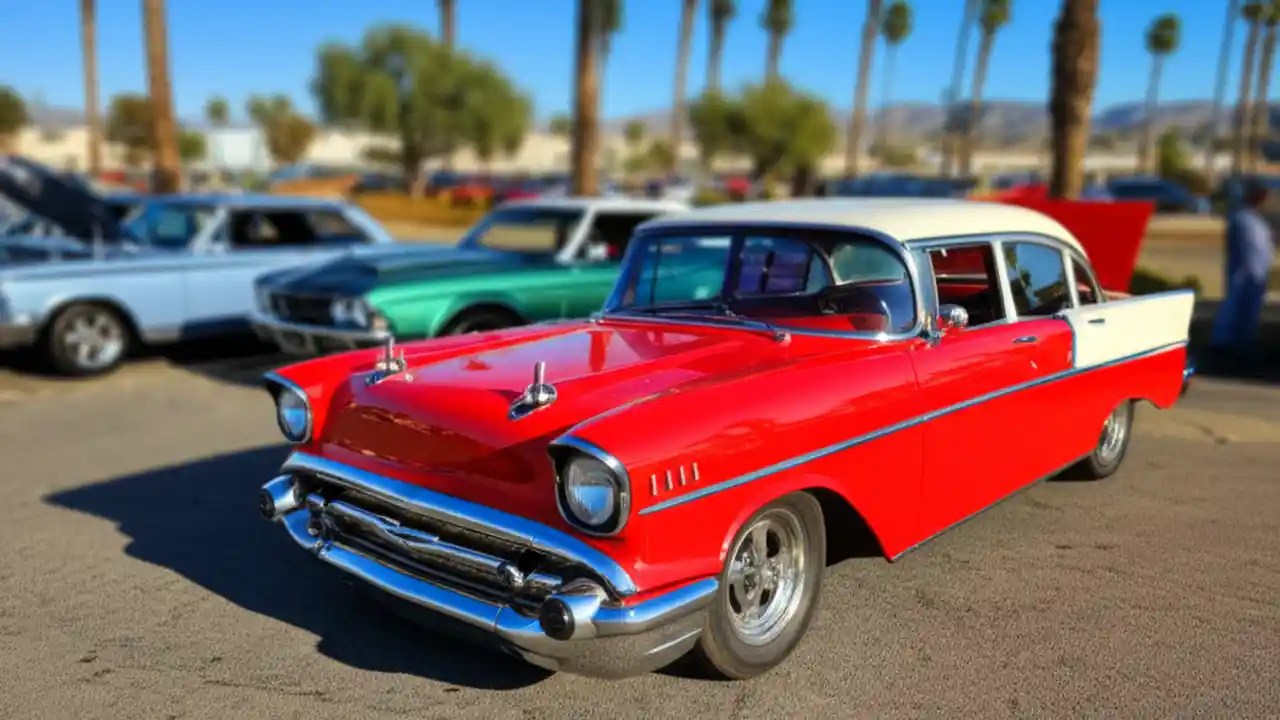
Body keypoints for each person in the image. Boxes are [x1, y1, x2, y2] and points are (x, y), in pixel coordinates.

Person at [1209, 178, 1275, 368]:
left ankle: (1242, 346)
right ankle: (1224, 349)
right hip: (1244, 274)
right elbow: (1246, 249)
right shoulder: (1242, 218)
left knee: (1248, 313)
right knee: (1235, 310)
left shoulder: (1254, 219)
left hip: (1256, 275)